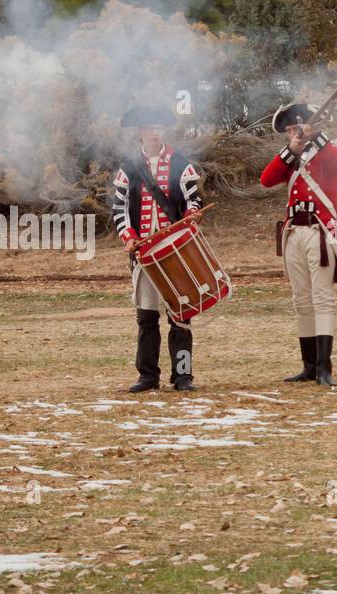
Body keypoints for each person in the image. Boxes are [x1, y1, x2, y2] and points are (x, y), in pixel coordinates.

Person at [111, 105, 203, 392]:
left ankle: (183, 375)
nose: (155, 134)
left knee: (181, 316)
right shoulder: (128, 169)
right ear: (140, 133)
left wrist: (192, 216)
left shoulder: (180, 164)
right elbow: (120, 209)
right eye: (150, 128)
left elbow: (194, 201)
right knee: (147, 315)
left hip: (176, 251)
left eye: (159, 128)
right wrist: (128, 236)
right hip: (145, 254)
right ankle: (148, 377)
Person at [260, 99, 337, 387]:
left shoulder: (328, 147)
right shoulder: (290, 154)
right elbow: (267, 179)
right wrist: (293, 148)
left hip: (320, 231)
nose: (293, 133)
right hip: (294, 232)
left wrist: (316, 137)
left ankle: (324, 367)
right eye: (289, 130)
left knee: (321, 298)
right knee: (302, 301)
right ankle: (309, 366)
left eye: (297, 128)